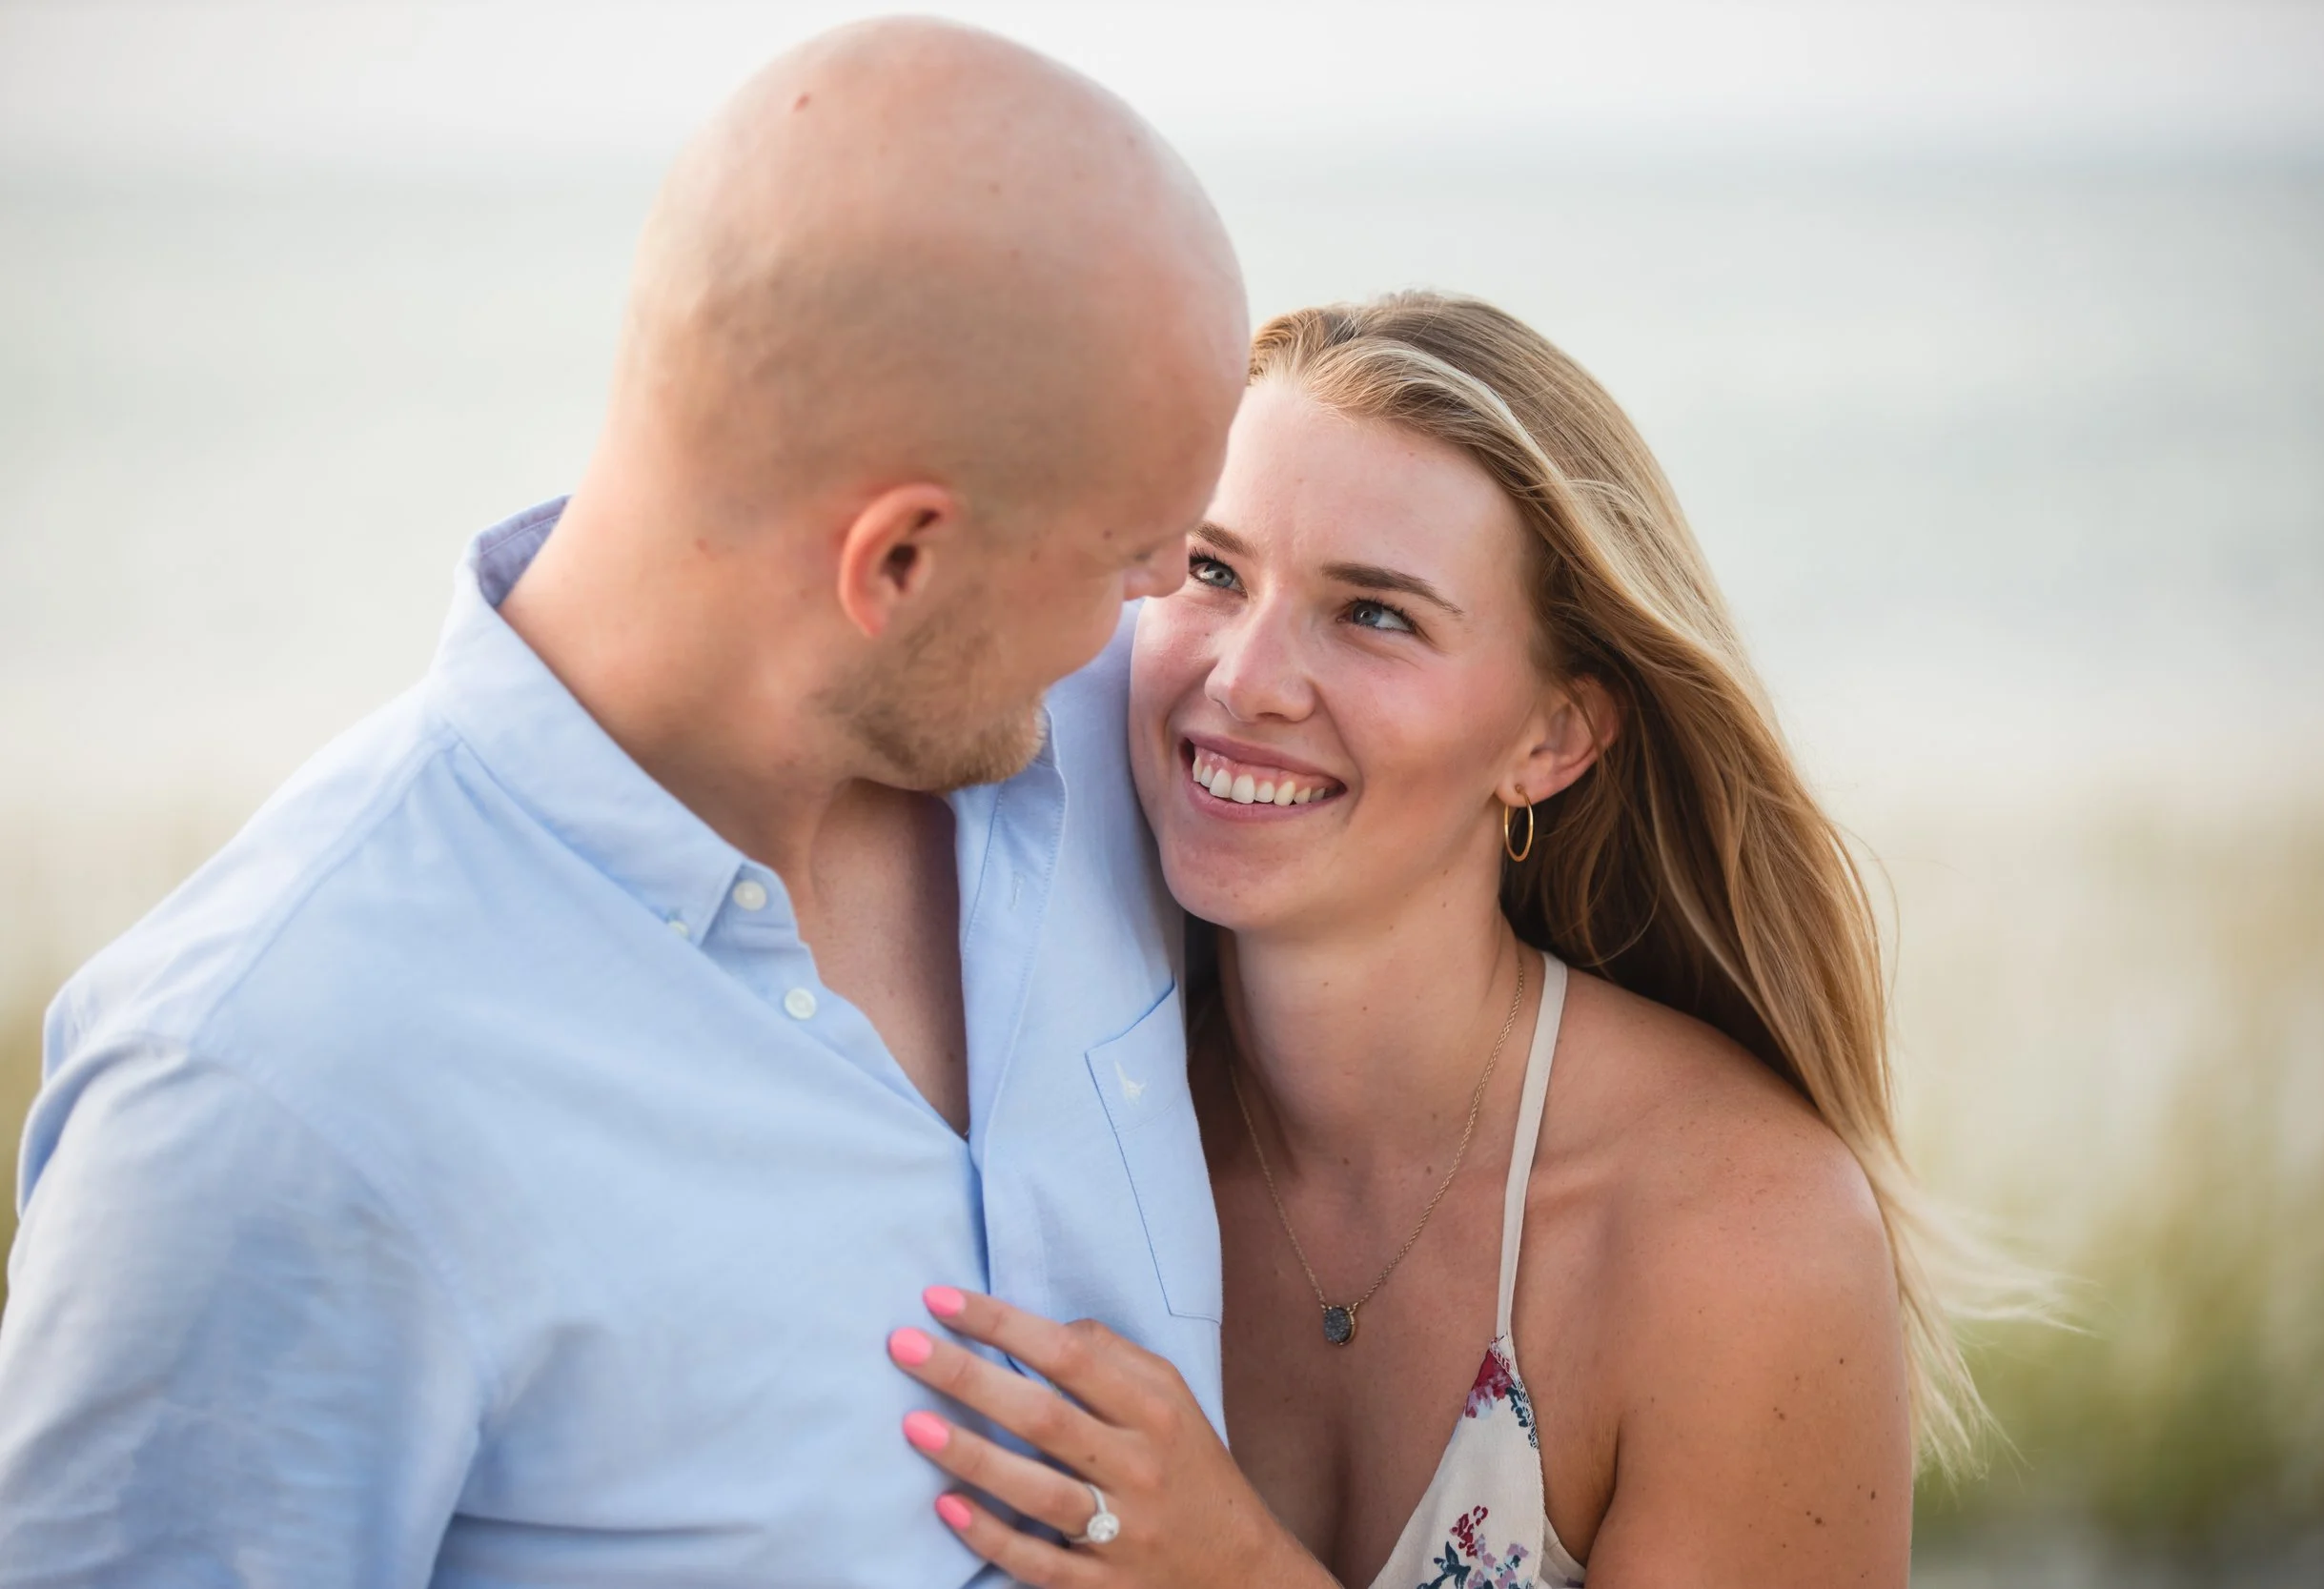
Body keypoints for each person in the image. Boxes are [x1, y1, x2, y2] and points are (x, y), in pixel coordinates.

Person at [0, 20, 1247, 1586]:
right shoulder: (264, 1100)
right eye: (1133, 554)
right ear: (898, 563)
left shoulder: (1122, 754)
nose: (1168, 605)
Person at [885, 294, 1986, 1587]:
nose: (1243, 679)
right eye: (1214, 571)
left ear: (1552, 739)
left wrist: (1241, 1573)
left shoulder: (1739, 1235)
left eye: (1375, 614)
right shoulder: (1076, 1127)